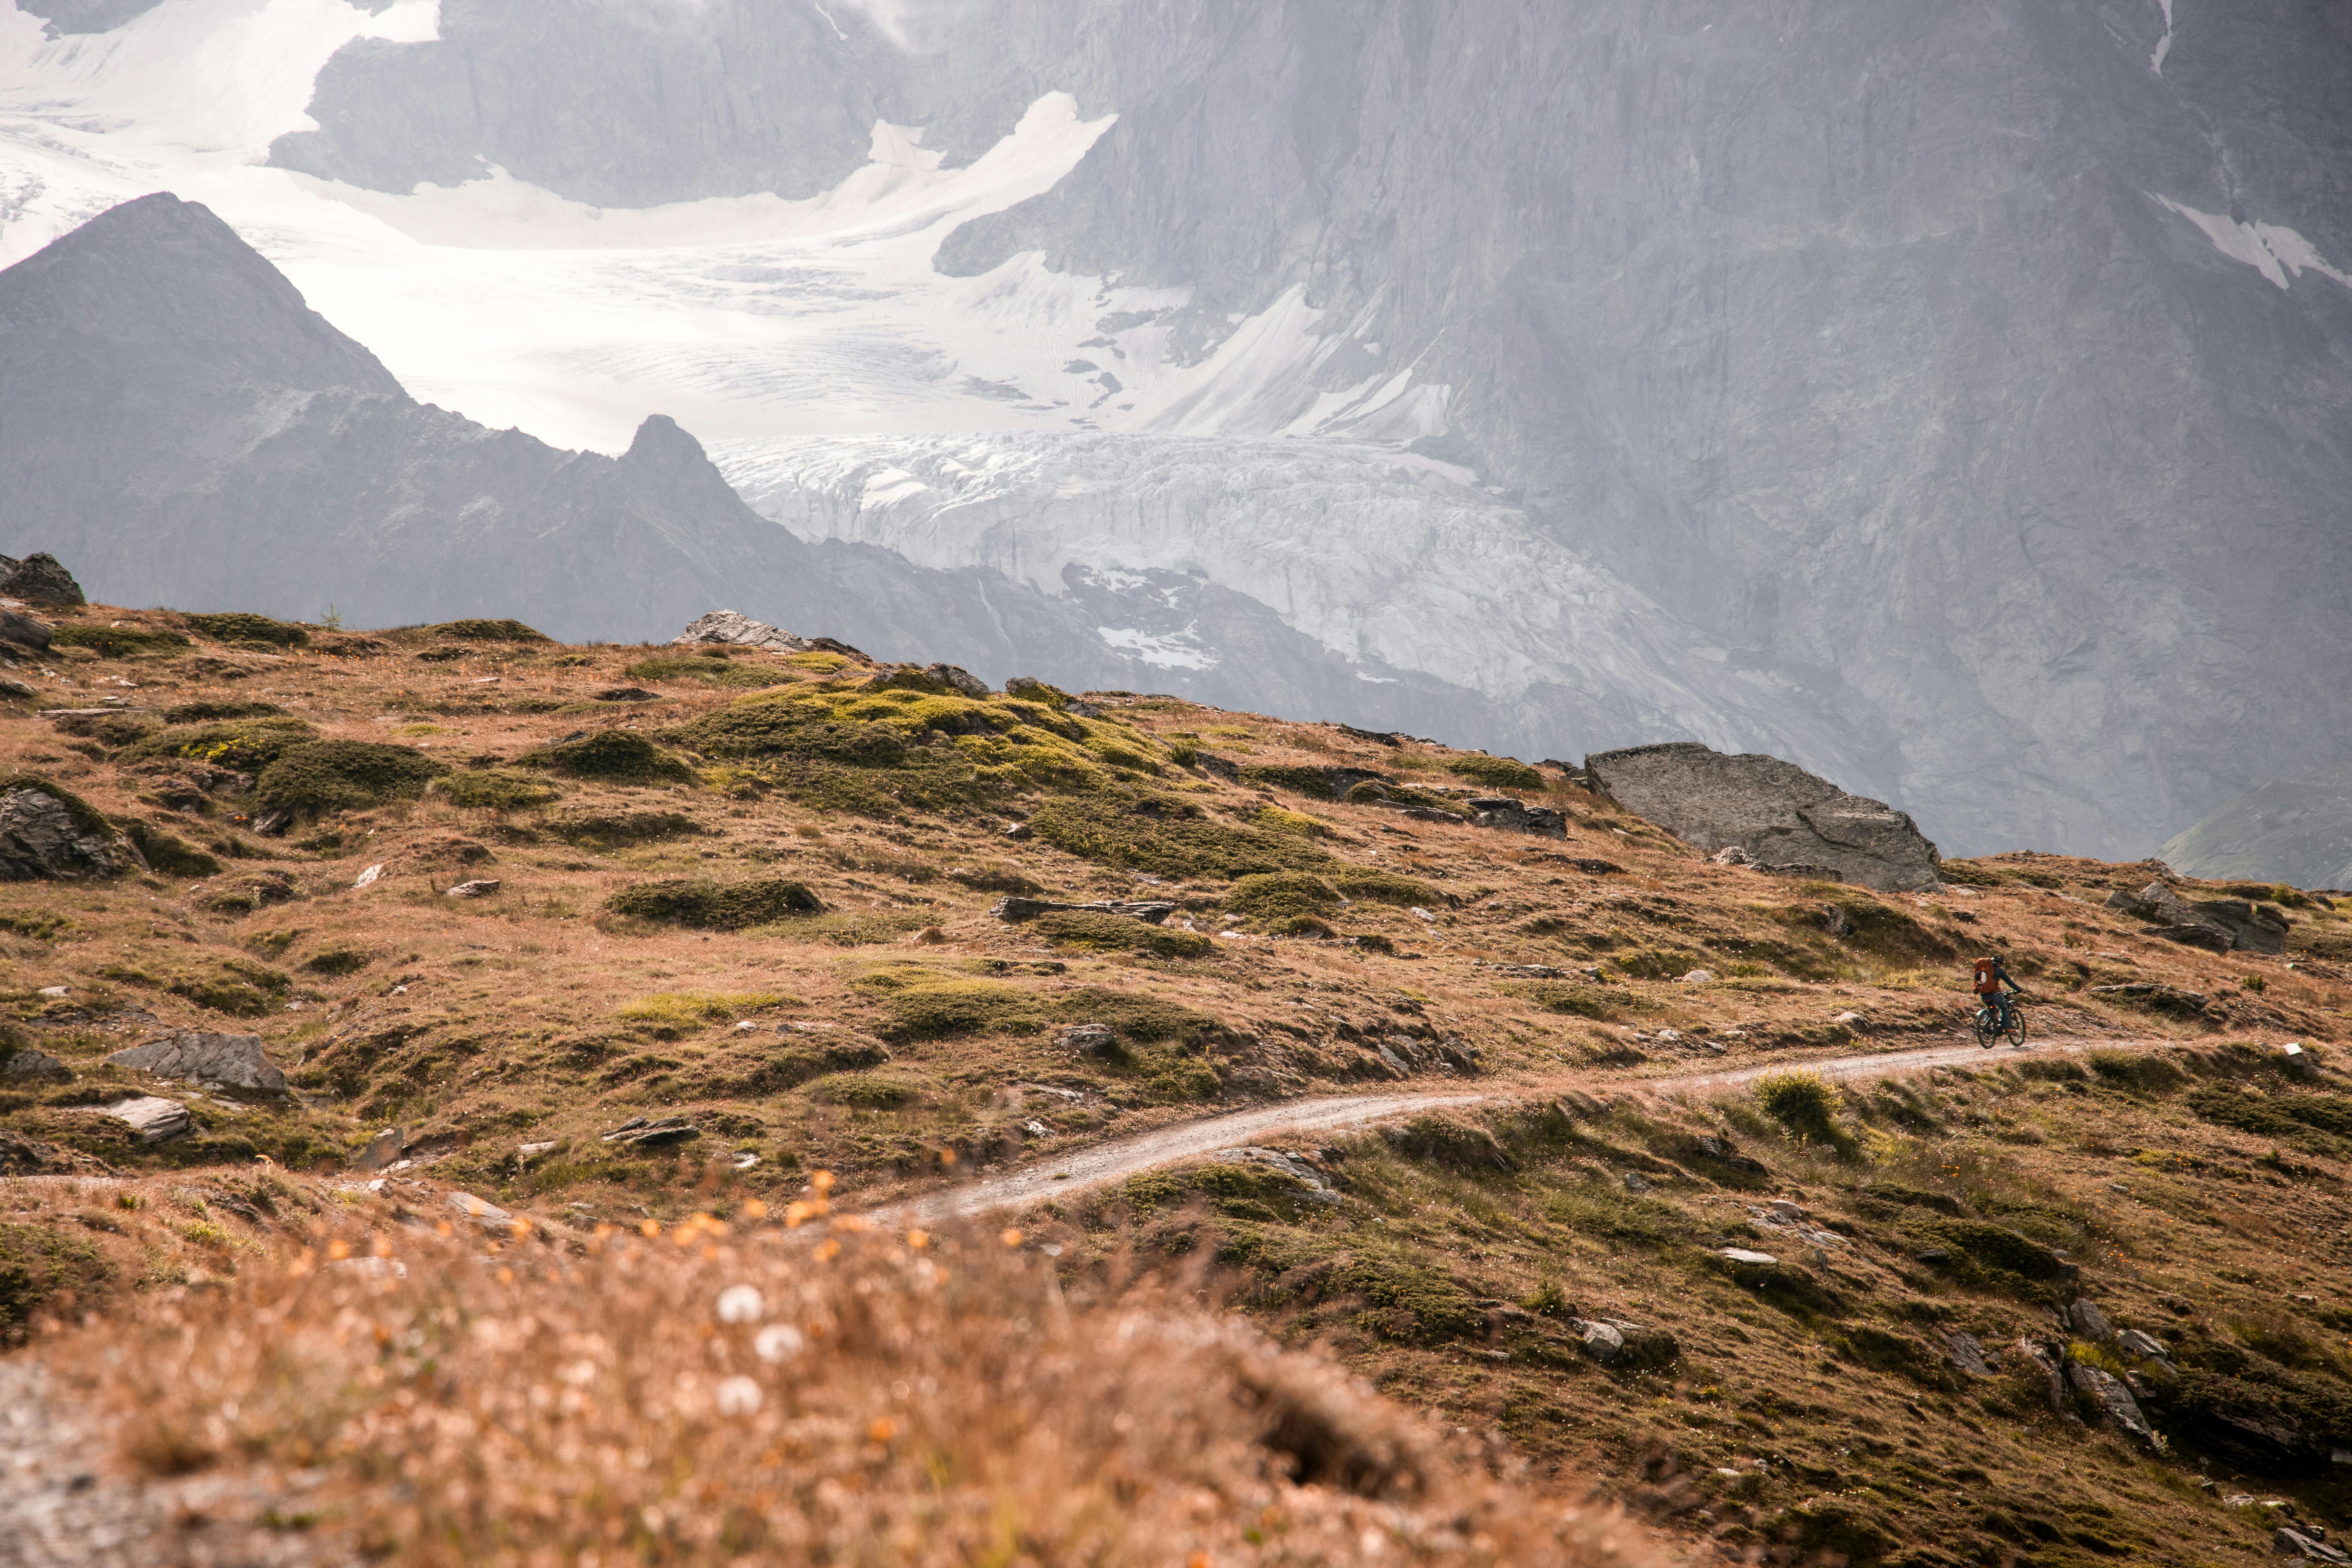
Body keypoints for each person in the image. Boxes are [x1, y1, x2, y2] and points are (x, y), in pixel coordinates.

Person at [1973, 953, 2022, 1038]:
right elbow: (2009, 981)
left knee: (1992, 1010)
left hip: (1984, 996)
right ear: (1998, 963)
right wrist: (2018, 989)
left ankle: (1988, 1026)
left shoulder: (1982, 971)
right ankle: (2008, 1029)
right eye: (2000, 964)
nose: (2000, 965)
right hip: (1995, 995)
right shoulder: (1999, 970)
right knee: (2004, 1008)